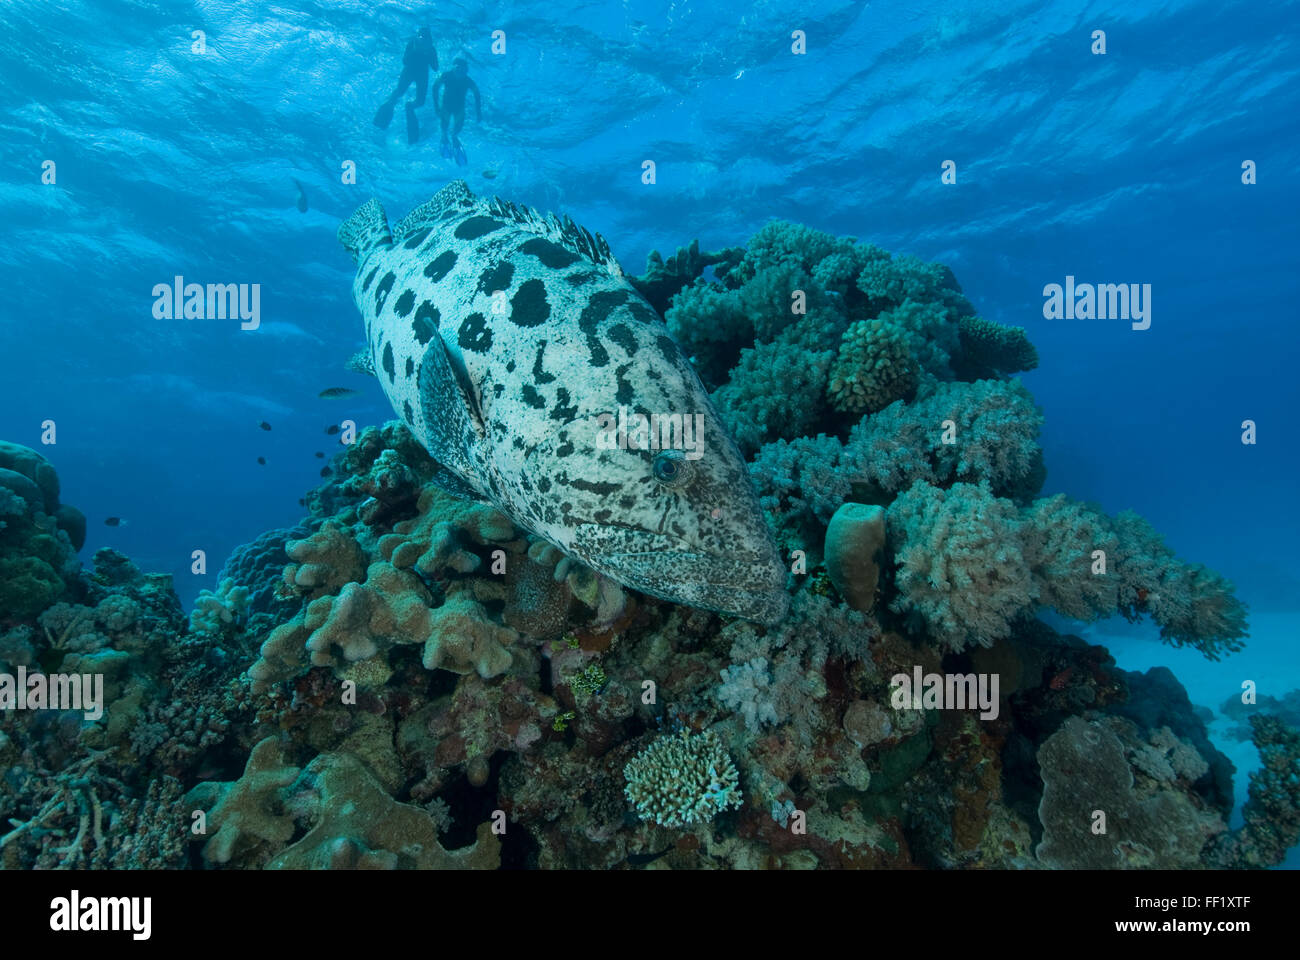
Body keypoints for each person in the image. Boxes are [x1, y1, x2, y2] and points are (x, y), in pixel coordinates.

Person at [374, 26, 438, 143]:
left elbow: (435, 67)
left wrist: (428, 53)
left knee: (420, 102)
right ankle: (389, 106)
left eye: (426, 37)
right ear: (418, 36)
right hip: (409, 71)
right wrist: (415, 50)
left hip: (422, 75)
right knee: (399, 92)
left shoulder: (431, 49)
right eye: (421, 36)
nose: (423, 39)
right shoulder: (412, 43)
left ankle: (409, 107)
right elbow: (405, 61)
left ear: (429, 39)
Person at [433, 56, 481, 165]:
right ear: (453, 68)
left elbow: (477, 94)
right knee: (444, 126)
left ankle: (454, 137)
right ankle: (444, 136)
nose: (460, 72)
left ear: (466, 71)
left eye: (463, 70)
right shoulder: (445, 76)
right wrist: (436, 106)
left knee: (457, 128)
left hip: (459, 108)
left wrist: (478, 112)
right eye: (458, 69)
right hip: (446, 106)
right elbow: (435, 87)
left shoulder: (468, 81)